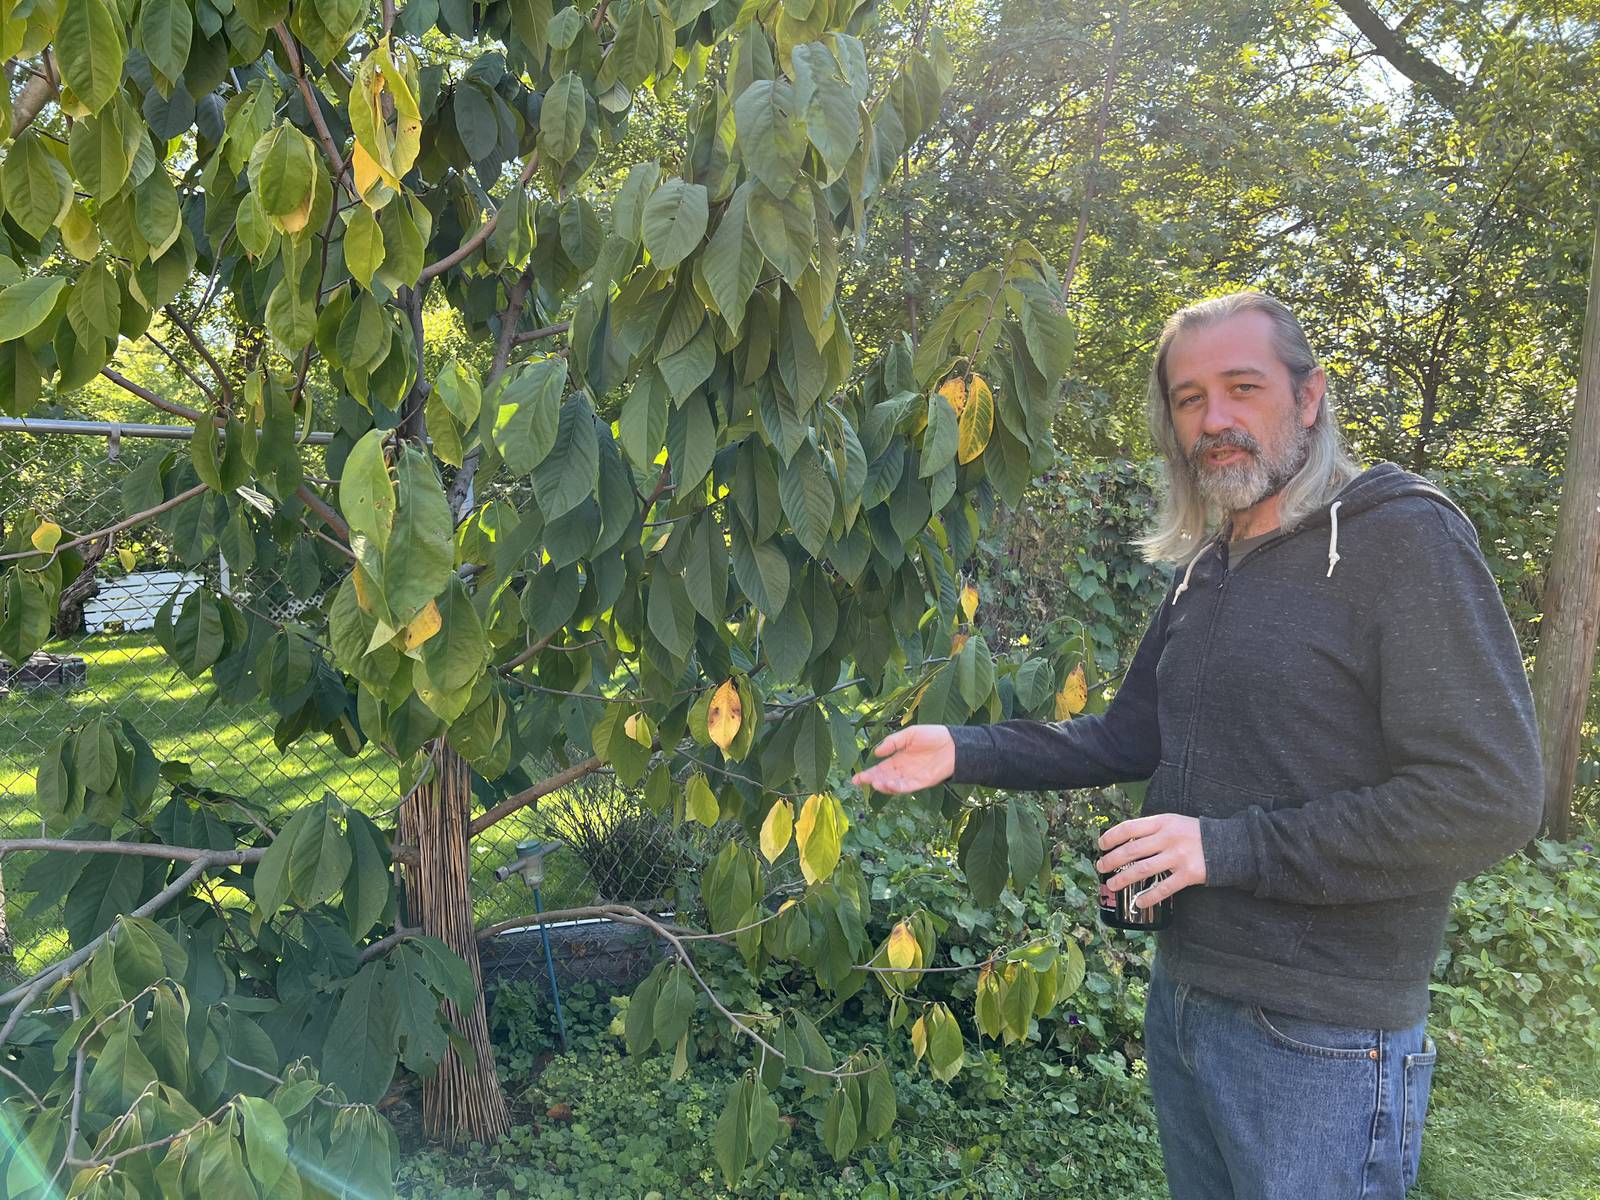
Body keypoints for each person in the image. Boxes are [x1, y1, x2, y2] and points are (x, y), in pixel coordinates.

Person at [851, 291, 1543, 1200]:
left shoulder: (1401, 539)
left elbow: (1488, 797)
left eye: (1242, 387)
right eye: (1188, 399)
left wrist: (1228, 847)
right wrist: (965, 747)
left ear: (1308, 397)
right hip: (1187, 999)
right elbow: (1127, 736)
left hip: (1322, 1038)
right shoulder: (1210, 568)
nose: (1213, 419)